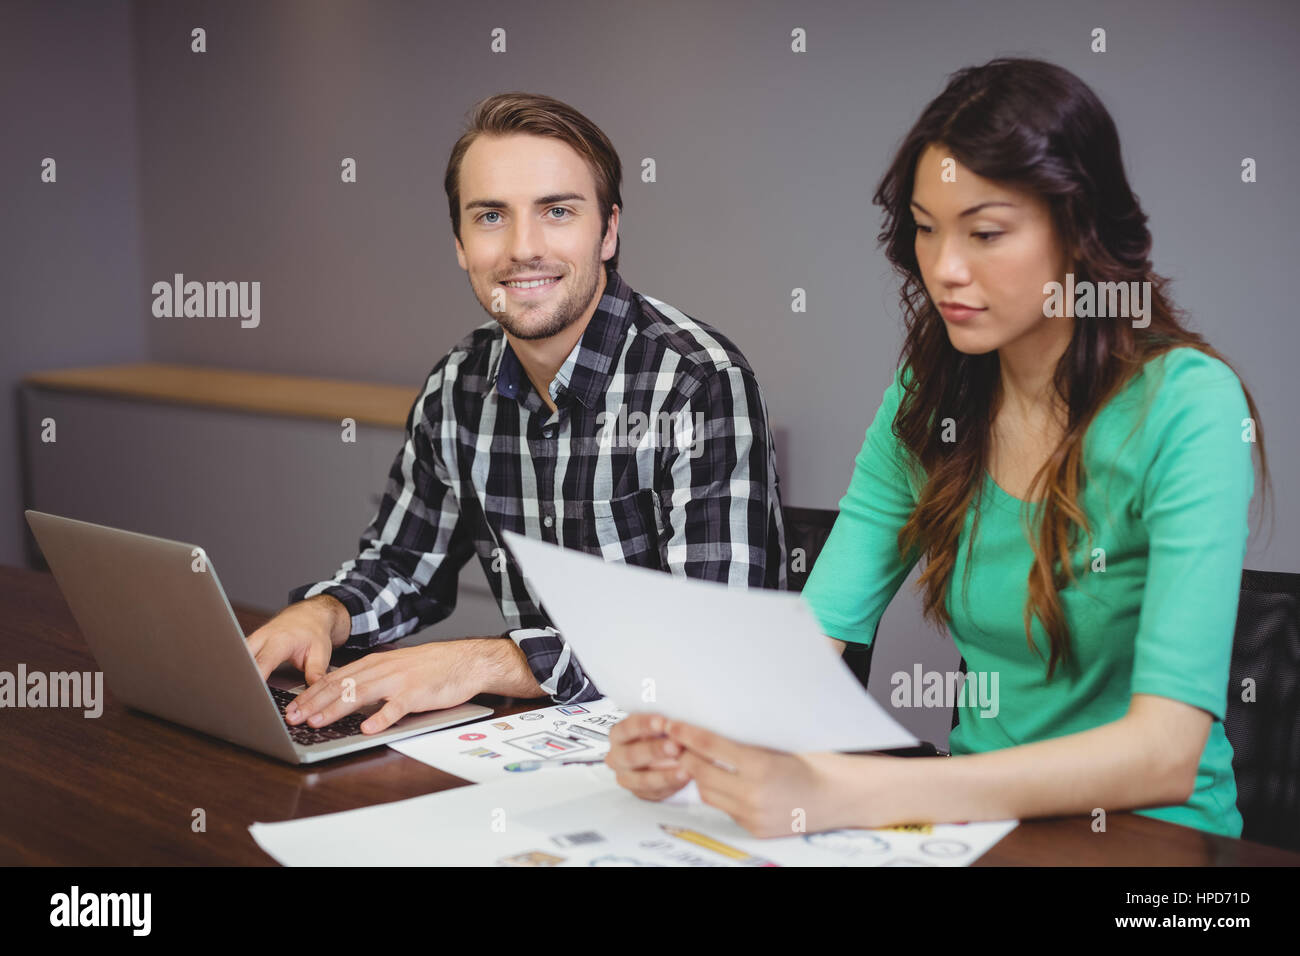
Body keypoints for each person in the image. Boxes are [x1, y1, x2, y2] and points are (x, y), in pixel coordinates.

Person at [606, 58, 1270, 839]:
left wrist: (857, 791)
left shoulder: (1188, 405)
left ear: (1077, 230)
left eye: (986, 232)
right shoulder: (934, 392)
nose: (945, 268)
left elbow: (1165, 752)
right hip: (978, 829)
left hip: (1153, 842)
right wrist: (686, 735)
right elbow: (816, 631)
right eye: (926, 228)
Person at [245, 92, 786, 732]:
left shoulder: (697, 383)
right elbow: (402, 564)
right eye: (491, 216)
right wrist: (327, 613)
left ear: (608, 231)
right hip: (542, 750)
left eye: (557, 211)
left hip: (695, 751)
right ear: (459, 243)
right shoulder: (459, 382)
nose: (523, 248)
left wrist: (483, 663)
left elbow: (712, 638)